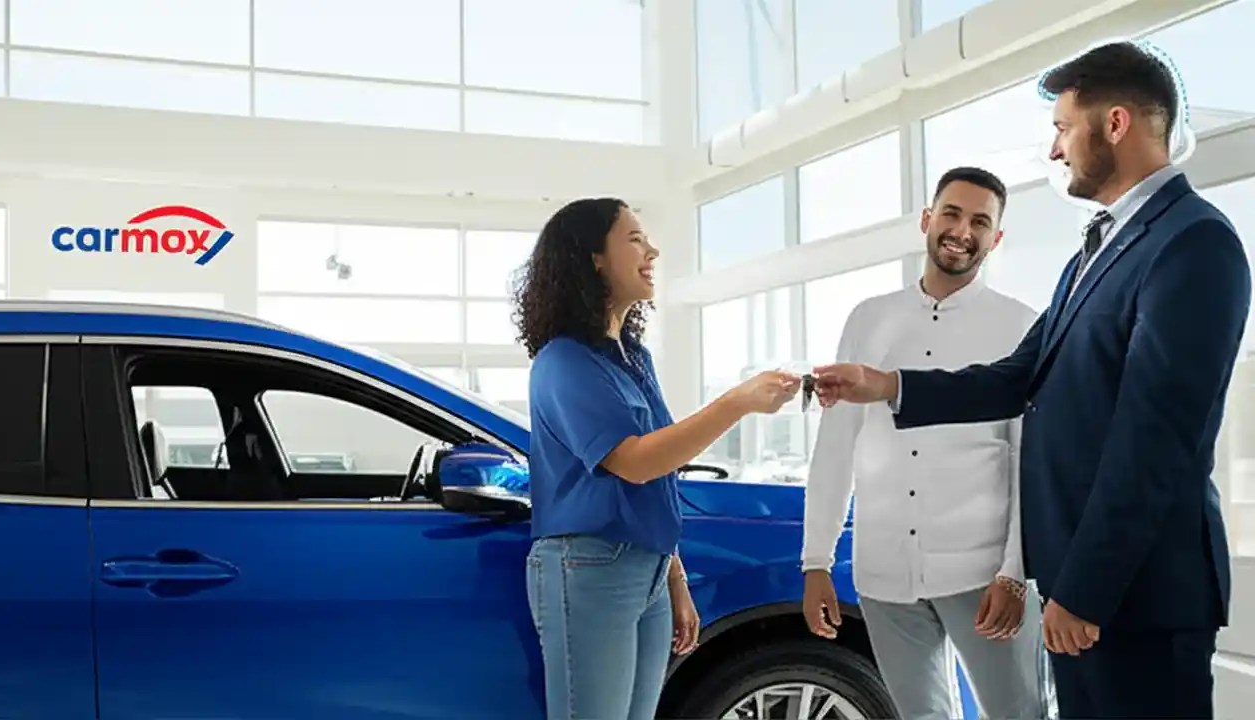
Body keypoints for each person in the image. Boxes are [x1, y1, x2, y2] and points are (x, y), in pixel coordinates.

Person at [812, 41, 1251, 719]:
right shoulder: (1095, 251)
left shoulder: (1194, 243)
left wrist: (1084, 590)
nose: (1054, 152)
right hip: (1086, 590)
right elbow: (1019, 377)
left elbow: (1154, 441)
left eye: (1061, 128)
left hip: (1135, 597)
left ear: (1114, 125)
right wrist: (890, 385)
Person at [511, 197, 800, 720]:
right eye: (635, 239)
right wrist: (738, 402)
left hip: (646, 568)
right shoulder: (563, 363)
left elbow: (659, 470)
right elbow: (635, 462)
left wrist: (674, 578)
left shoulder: (633, 358)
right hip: (590, 567)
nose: (653, 250)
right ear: (594, 258)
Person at [801, 166, 1046, 720]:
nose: (963, 230)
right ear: (927, 220)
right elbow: (837, 446)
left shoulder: (1021, 325)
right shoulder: (869, 318)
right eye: (953, 213)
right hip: (885, 573)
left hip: (984, 573)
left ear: (996, 239)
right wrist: (816, 559)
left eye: (981, 221)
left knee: (1021, 714)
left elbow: (1027, 459)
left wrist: (1015, 571)